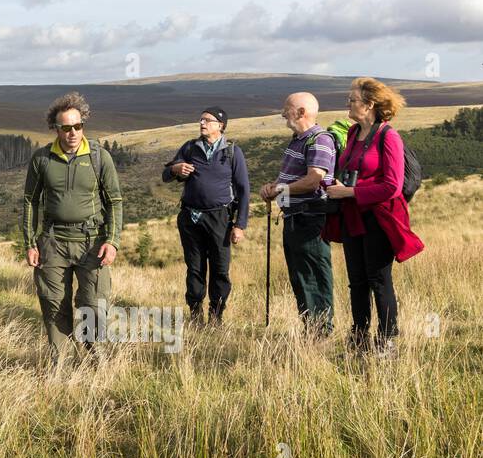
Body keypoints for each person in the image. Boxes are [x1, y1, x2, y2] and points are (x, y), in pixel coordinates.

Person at [321, 77, 424, 354]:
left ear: (369, 105)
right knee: (357, 280)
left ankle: (387, 341)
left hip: (379, 217)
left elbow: (391, 186)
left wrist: (351, 192)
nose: (348, 104)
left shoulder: (388, 136)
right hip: (353, 216)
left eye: (352, 100)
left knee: (379, 279)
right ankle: (358, 338)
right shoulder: (354, 133)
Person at [22, 92, 123, 363]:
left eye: (77, 126)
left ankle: (95, 358)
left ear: (83, 125)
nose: (72, 133)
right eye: (66, 128)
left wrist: (112, 241)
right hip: (53, 243)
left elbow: (114, 201)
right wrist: (30, 243)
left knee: (95, 305)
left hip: (92, 241)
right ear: (56, 129)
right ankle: (61, 363)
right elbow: (30, 202)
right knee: (55, 305)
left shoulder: (100, 158)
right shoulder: (42, 159)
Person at [257, 92, 337, 336]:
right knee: (301, 277)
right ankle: (311, 330)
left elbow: (314, 181)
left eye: (287, 109)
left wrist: (280, 190)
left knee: (313, 276)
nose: (283, 113)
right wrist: (274, 188)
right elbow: (292, 179)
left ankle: (321, 333)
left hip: (311, 218)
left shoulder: (319, 140)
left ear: (301, 112)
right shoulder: (298, 140)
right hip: (295, 216)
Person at [162, 107, 250, 325]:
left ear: (220, 126)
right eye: (201, 119)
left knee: (220, 269)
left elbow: (243, 189)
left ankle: (216, 315)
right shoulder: (190, 147)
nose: (202, 123)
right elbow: (166, 175)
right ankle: (195, 314)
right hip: (190, 218)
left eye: (208, 120)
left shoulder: (232, 152)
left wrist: (240, 224)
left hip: (220, 218)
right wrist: (176, 169)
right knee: (195, 268)